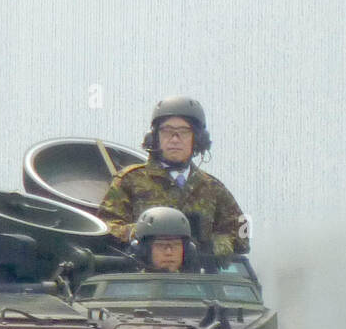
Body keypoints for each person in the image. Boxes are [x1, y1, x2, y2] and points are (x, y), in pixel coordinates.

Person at [99, 96, 248, 260]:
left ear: (197, 139)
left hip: (198, 280)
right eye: (167, 131)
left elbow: (243, 236)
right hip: (143, 278)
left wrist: (219, 243)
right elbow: (104, 228)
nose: (175, 139)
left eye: (184, 132)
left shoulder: (212, 188)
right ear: (155, 138)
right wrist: (140, 232)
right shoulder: (131, 180)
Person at [131, 206, 193, 272]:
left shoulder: (197, 281)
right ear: (144, 250)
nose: (168, 252)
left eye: (176, 245)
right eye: (160, 245)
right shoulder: (128, 281)